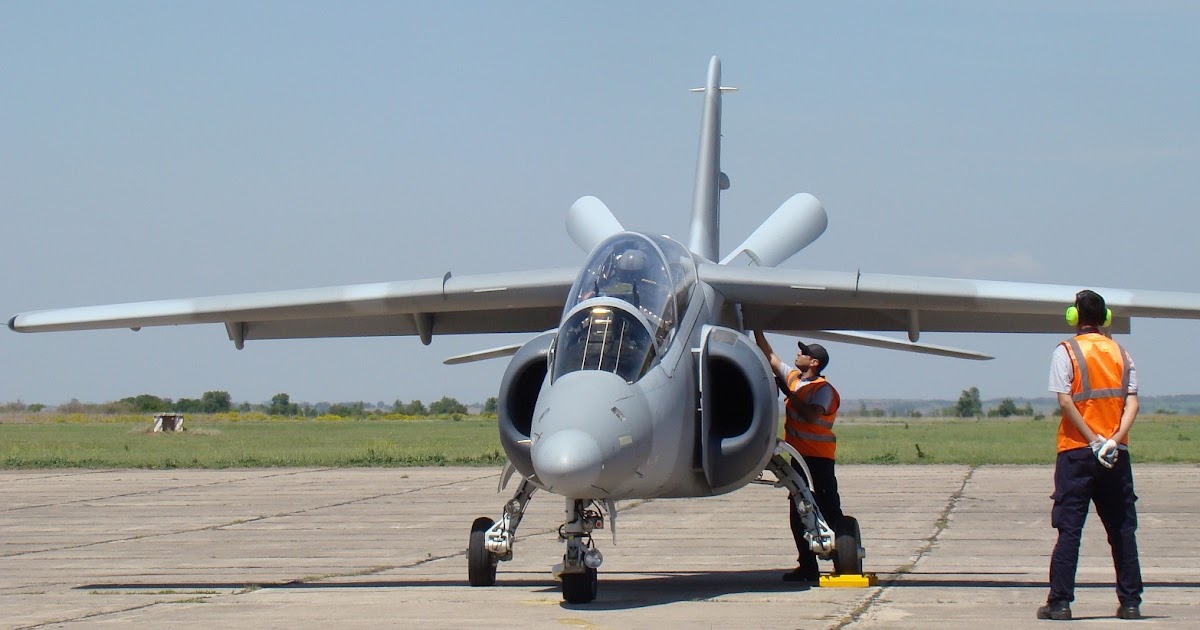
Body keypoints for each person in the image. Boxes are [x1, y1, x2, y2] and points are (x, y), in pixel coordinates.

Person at [1038, 289, 1143, 621]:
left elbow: (1066, 401)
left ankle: (1060, 602)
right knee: (1122, 530)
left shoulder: (1065, 352)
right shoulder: (1121, 354)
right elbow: (1133, 403)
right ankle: (1130, 602)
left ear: (1074, 316)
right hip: (1116, 454)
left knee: (1070, 529)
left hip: (1076, 453)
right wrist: (1112, 439)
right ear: (1106, 318)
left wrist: (1093, 440)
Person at [754, 331, 843, 584]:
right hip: (799, 456)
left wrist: (790, 395)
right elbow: (770, 356)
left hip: (819, 458)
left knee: (828, 508)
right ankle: (807, 566)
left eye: (804, 353)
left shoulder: (823, 389)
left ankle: (841, 558)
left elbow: (813, 415)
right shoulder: (795, 379)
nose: (798, 354)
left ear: (814, 363)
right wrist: (756, 328)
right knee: (799, 509)